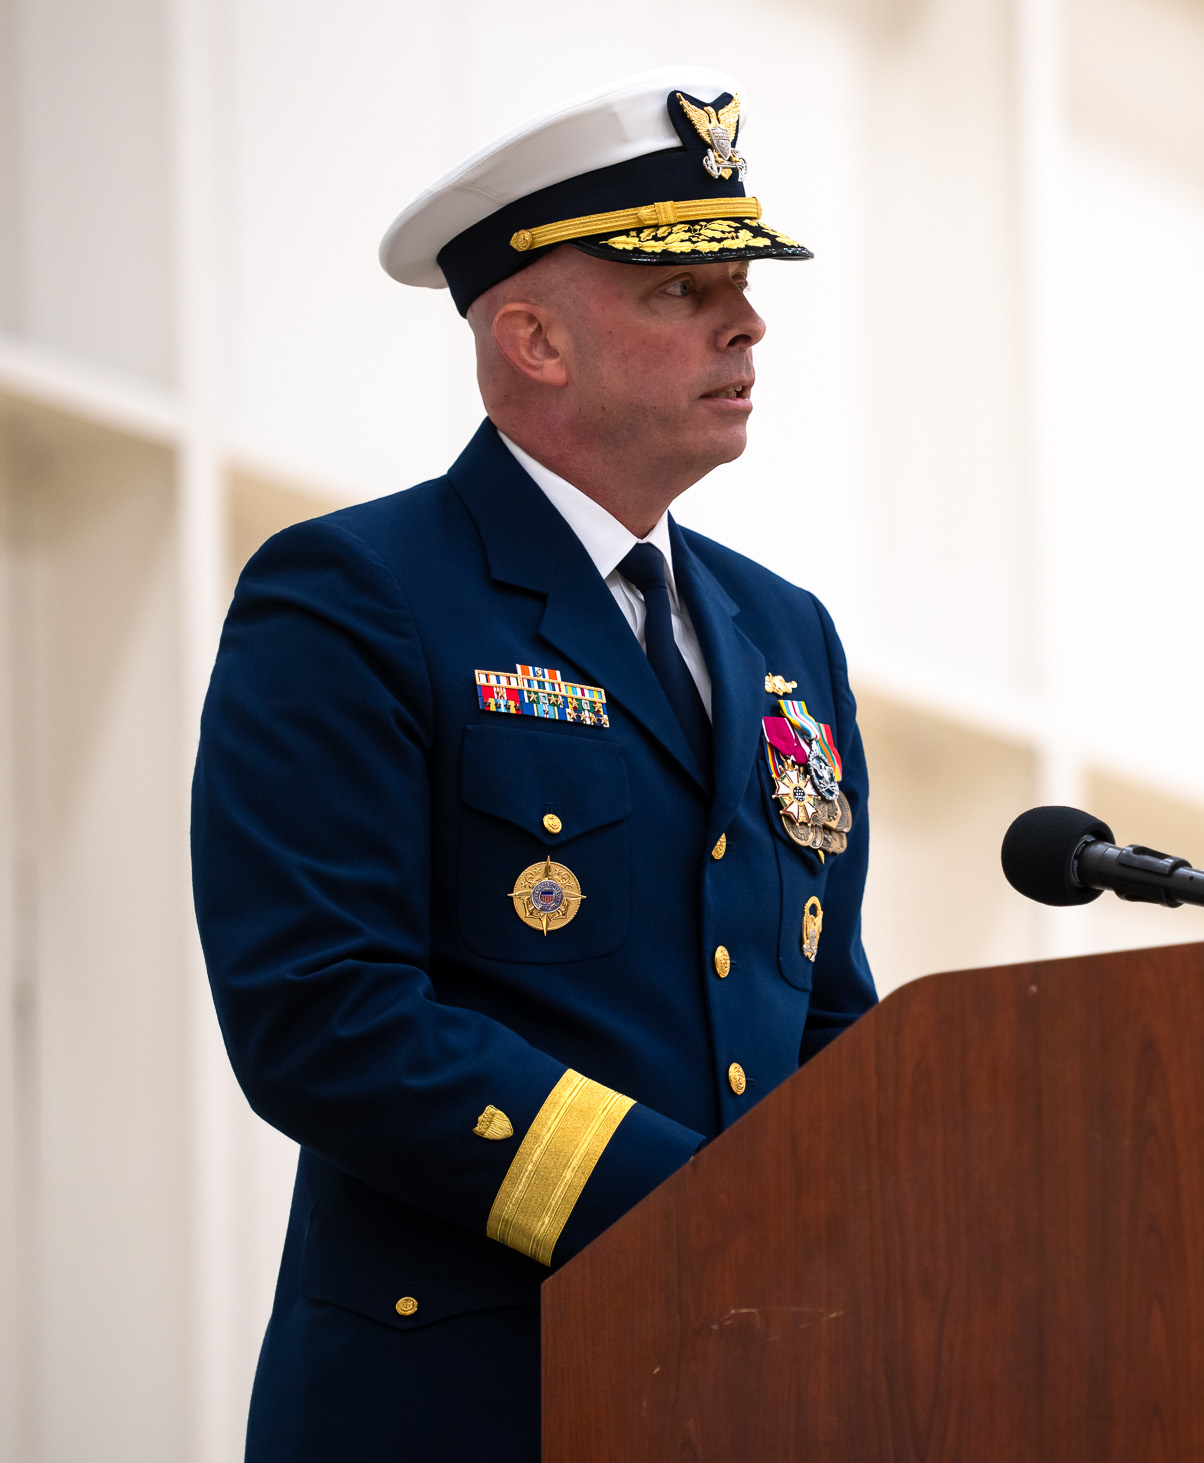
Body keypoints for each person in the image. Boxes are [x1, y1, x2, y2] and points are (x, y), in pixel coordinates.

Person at [190, 66, 877, 1462]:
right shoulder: (356, 594)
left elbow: (825, 1025)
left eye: (744, 285)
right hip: (473, 1392)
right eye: (683, 291)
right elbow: (324, 1017)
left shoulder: (784, 633)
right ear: (533, 340)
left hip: (757, 1386)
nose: (748, 320)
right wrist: (696, 1210)